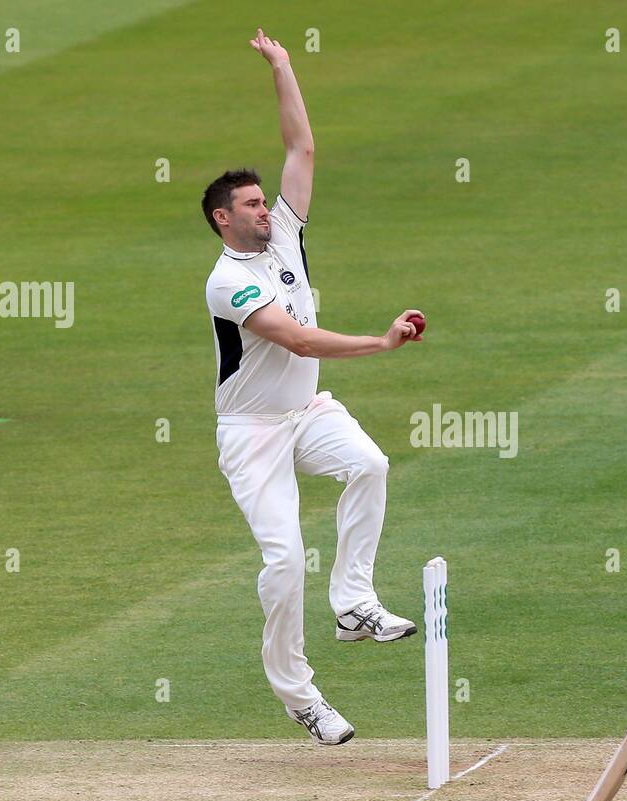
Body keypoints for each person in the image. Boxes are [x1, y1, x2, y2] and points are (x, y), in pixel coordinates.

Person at [201, 28, 425, 746]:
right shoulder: (227, 280)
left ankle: (355, 604)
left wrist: (284, 66)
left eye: (267, 202)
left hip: (307, 410)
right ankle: (300, 697)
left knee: (370, 464)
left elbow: (302, 149)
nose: (267, 211)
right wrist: (380, 343)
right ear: (222, 219)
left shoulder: (286, 238)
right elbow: (295, 339)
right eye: (252, 205)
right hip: (253, 434)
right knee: (286, 560)